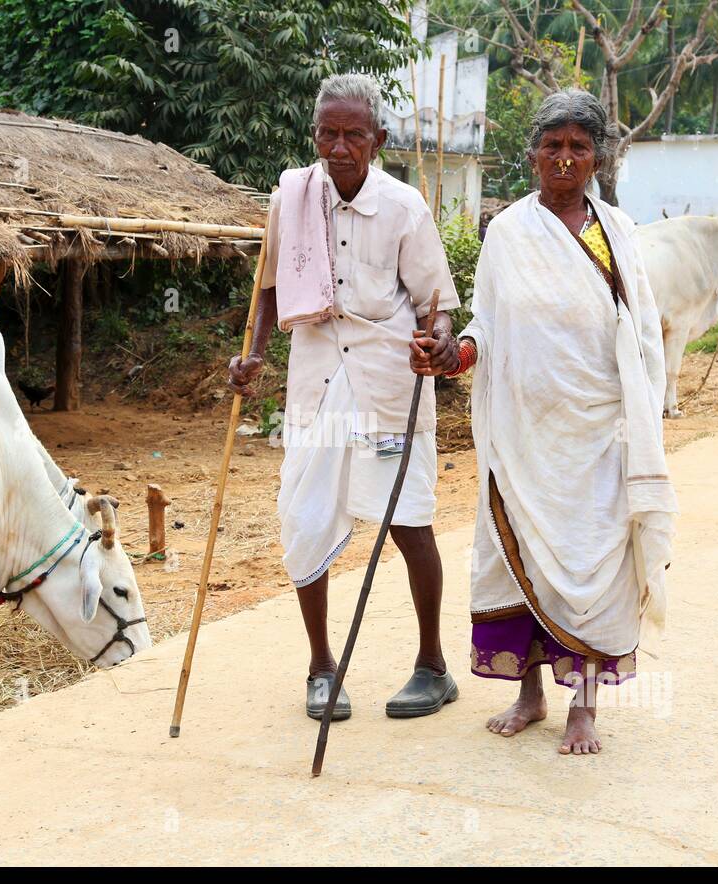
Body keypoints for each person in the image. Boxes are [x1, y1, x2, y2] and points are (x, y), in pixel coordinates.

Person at [412, 88, 678, 754]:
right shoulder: (507, 233)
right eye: (552, 146)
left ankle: (583, 708)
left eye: (578, 147)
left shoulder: (618, 232)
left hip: (599, 432)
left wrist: (639, 419)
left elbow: (642, 333)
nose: (563, 159)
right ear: (532, 155)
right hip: (523, 432)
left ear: (597, 158)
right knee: (516, 551)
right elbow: (487, 329)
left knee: (597, 560)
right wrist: (455, 354)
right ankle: (528, 694)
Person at [229, 73, 461, 721]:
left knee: (409, 523)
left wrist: (437, 343)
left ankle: (432, 667)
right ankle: (322, 669)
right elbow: (269, 291)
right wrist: (252, 354)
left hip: (389, 388)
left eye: (352, 134)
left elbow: (434, 305)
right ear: (314, 136)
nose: (337, 147)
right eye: (326, 133)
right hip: (318, 386)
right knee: (304, 520)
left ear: (378, 140)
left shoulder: (405, 209)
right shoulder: (291, 199)